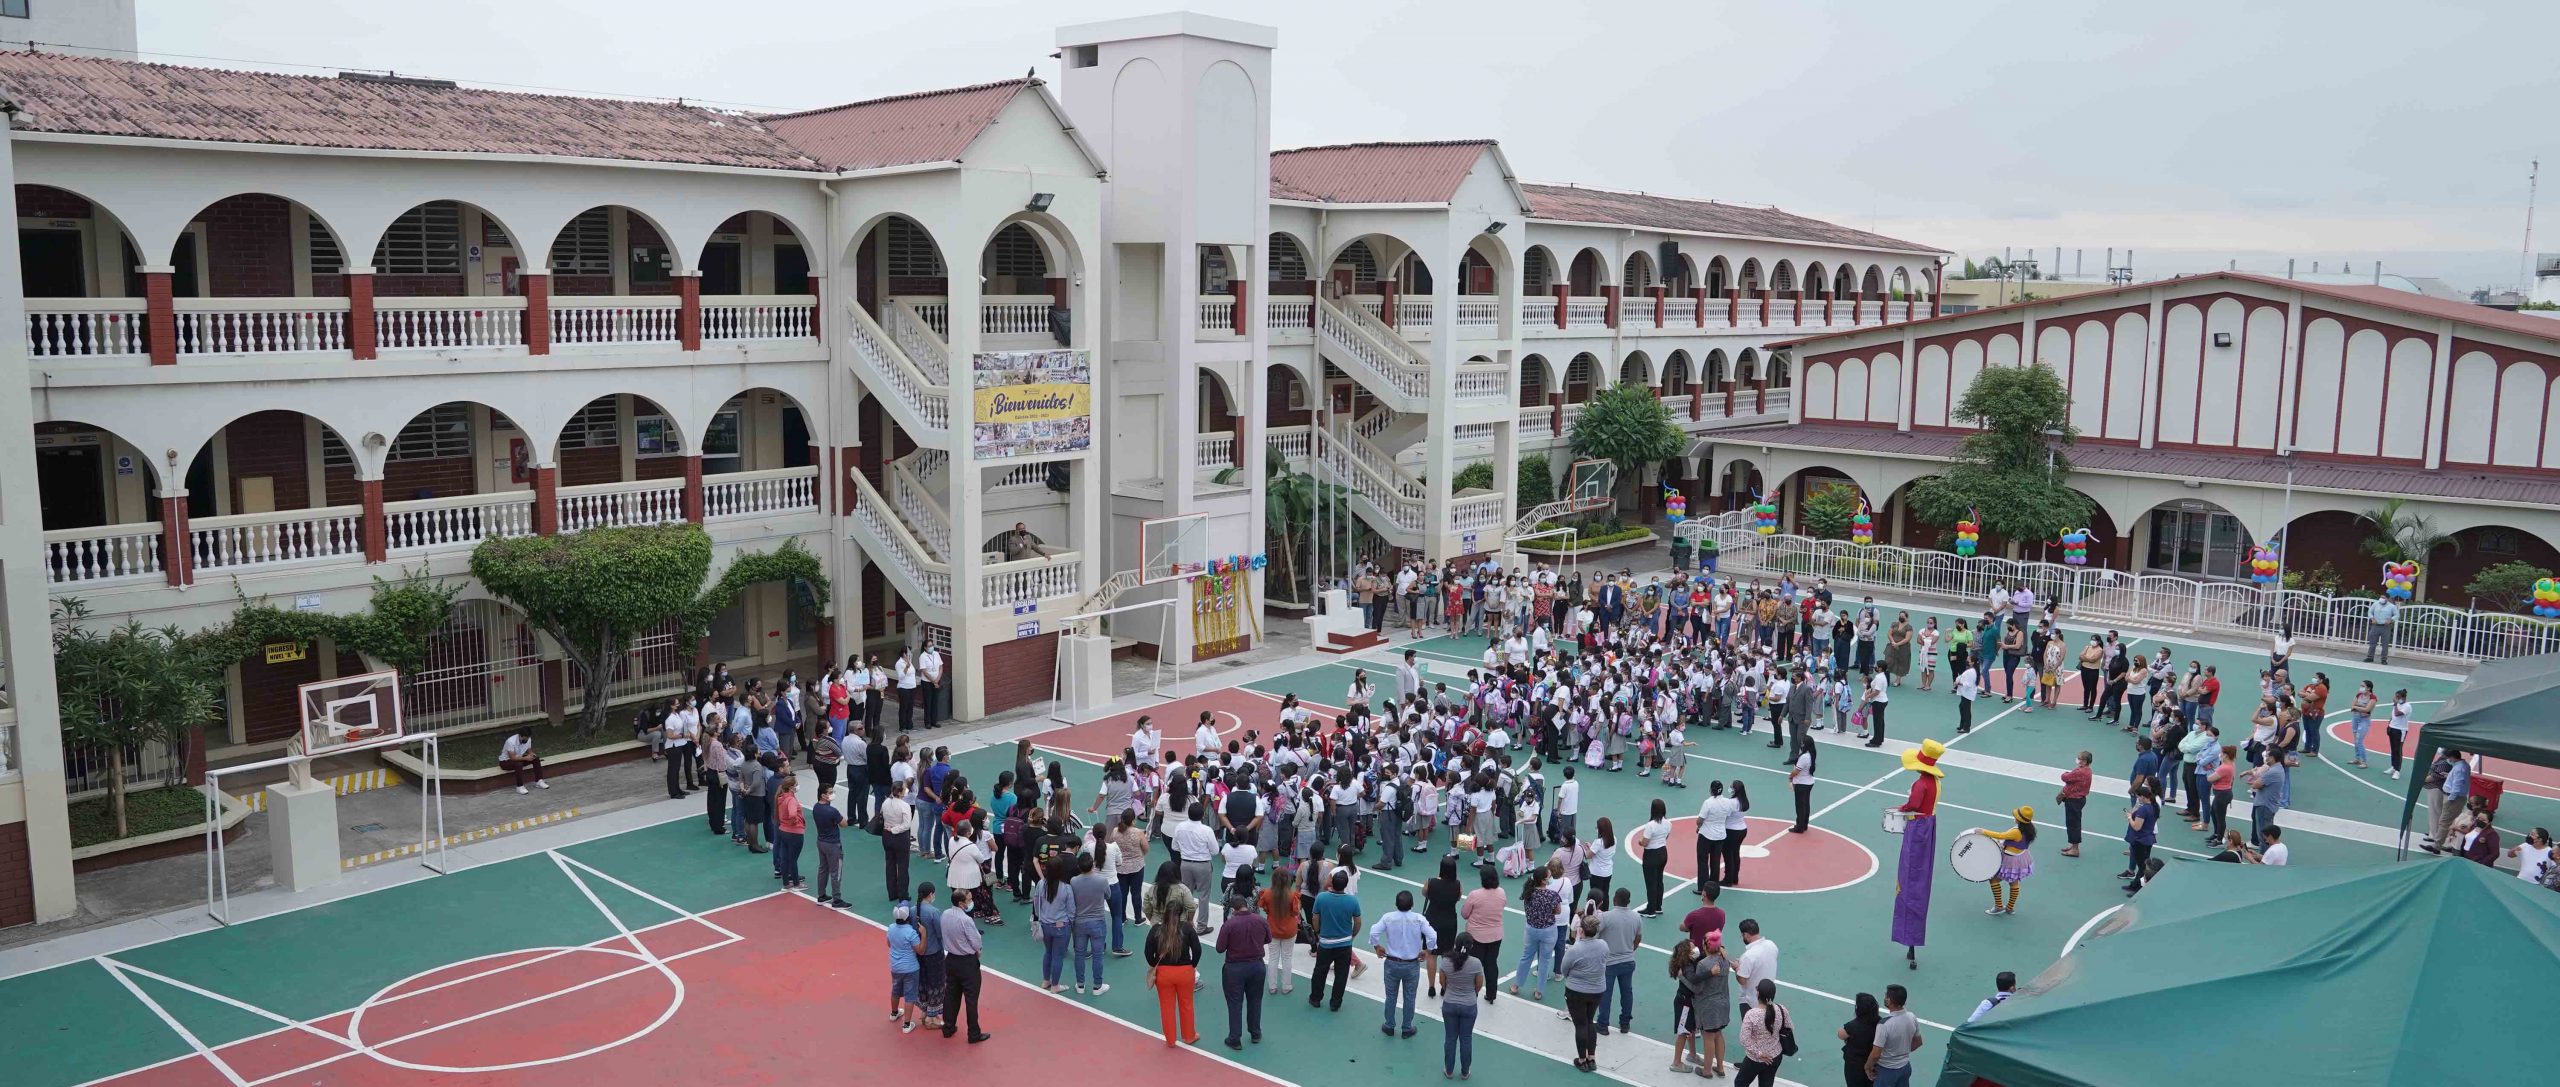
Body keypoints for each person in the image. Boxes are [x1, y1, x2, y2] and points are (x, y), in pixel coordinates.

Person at [1888, 739, 1945, 969]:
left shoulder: (1921, 784)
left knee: (1909, 879)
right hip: (1929, 825)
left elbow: (1913, 805)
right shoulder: (1935, 782)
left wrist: (1901, 808)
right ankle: (1912, 939)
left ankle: (1908, 935)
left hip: (1918, 828)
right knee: (1919, 879)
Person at [1371, 888, 1436, 1038]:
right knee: (1410, 996)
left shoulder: (1388, 918)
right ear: (1412, 904)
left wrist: (1377, 946)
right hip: (1411, 964)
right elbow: (1432, 935)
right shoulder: (1419, 919)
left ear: (1396, 904)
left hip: (1392, 963)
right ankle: (1407, 1028)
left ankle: (1389, 1025)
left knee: (1391, 995)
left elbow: (1374, 932)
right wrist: (1428, 951)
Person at [1143, 899, 1203, 1047]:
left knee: (1166, 1006)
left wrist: (1154, 965)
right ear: (1181, 913)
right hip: (1184, 972)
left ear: (1165, 913)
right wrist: (1192, 965)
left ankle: (1170, 1040)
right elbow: (1197, 950)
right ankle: (1189, 1036)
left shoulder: (1156, 930)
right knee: (1186, 1004)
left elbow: (1148, 952)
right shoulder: (1188, 929)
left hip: (1164, 973)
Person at [1213, 893, 1268, 1049]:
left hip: (1235, 968)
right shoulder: (1260, 920)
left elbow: (1219, 948)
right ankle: (1255, 1033)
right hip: (1257, 966)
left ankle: (1235, 1038)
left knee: (1235, 1004)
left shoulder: (1229, 925)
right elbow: (1268, 939)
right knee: (1255, 1000)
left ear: (1233, 908)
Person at [938, 888, 992, 1043]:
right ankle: (973, 1033)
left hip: (951, 960)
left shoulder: (945, 914)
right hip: (967, 962)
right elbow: (976, 941)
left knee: (951, 995)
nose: (971, 901)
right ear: (961, 903)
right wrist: (978, 951)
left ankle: (948, 1027)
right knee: (971, 999)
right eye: (969, 899)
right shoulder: (966, 920)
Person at [1309, 866, 1363, 1011]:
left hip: (1326, 943)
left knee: (1320, 971)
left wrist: (1318, 931)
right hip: (1344, 944)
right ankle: (1335, 1003)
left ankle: (1315, 998)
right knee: (1341, 974)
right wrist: (1351, 935)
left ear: (1332, 883)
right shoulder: (1352, 901)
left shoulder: (1322, 897)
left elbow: (1315, 918)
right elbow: (1358, 922)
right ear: (1346, 885)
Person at [1561, 915, 1610, 1073]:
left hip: (1576, 991)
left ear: (1581, 929)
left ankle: (1582, 1060)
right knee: (1589, 1021)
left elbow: (1564, 970)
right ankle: (1592, 1058)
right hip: (1597, 990)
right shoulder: (1603, 945)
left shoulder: (1575, 949)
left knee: (1580, 1024)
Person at [1973, 806, 2036, 915]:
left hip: (2010, 860)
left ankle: (1999, 906)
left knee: (1993, 879)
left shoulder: (2016, 831)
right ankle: (2010, 908)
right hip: (2020, 858)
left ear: (2019, 819)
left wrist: (1983, 831)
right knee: (2014, 882)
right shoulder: (2028, 829)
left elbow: (2000, 835)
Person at [1459, 864, 1508, 1005]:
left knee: (1473, 965)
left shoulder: (1475, 895)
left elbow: (1464, 914)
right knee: (1491, 964)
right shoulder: (1502, 892)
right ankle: (1491, 994)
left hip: (1476, 936)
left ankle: (1471, 992)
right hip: (1495, 936)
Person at [1439, 935, 1486, 1079]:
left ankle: (1449, 1070)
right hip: (1469, 1005)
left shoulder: (1446, 961)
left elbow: (1442, 983)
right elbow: (1479, 985)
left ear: (1455, 945)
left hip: (1449, 1004)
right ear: (1471, 947)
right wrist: (1471, 993)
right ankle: (1465, 1072)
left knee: (1450, 1038)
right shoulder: (1476, 963)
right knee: (1466, 1039)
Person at [1734, 979, 1792, 1087]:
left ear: (1758, 993)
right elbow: (1789, 1027)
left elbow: (1744, 1039)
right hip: (1775, 1056)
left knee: (1740, 1083)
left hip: (1755, 1059)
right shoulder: (1782, 1009)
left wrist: (1760, 1054)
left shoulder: (1751, 1015)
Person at [1866, 983, 1922, 1087]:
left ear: (1890, 1001)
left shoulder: (1884, 1024)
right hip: (1905, 1068)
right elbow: (1918, 1042)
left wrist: (1867, 1067)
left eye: (1886, 996)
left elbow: (1876, 1054)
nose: (1885, 998)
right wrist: (1901, 1052)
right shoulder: (1912, 1017)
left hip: (1886, 1072)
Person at [1257, 865, 1300, 995]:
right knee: (1287, 958)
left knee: (1273, 958)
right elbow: (1296, 912)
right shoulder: (1293, 896)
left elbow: (1263, 907)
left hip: (1272, 930)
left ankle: (1272, 986)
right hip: (1289, 931)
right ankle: (1286, 986)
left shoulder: (1267, 894)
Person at [886, 903, 926, 1034]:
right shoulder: (910, 932)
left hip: (895, 967)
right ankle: (907, 1025)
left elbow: (889, 944)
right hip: (910, 969)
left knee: (895, 990)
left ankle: (894, 1013)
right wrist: (924, 934)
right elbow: (920, 950)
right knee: (910, 996)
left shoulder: (891, 928)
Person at [813, 785, 848, 908]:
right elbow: (844, 824)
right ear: (823, 795)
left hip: (821, 842)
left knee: (823, 869)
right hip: (833, 845)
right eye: (830, 792)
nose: (832, 794)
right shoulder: (832, 811)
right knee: (836, 872)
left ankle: (821, 895)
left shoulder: (816, 807)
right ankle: (837, 900)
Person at [1636, 799, 1673, 916]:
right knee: (1659, 880)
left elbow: (1645, 843)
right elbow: (1665, 837)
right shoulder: (1668, 823)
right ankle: (1658, 906)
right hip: (1663, 852)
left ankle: (1651, 909)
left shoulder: (1650, 825)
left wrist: (1640, 842)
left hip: (1651, 855)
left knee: (1650, 883)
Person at [1838, 991, 1882, 1087]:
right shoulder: (1881, 1023)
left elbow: (1841, 1034)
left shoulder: (1853, 1026)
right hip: (1875, 1064)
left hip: (1855, 1065)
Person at [2055, 752, 2091, 858]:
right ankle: (2073, 845)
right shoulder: (2087, 770)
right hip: (2078, 800)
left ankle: (2075, 849)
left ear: (2084, 761)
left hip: (2074, 801)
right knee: (2073, 823)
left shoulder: (2080, 772)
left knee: (2073, 825)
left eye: (2079, 759)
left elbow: (2065, 777)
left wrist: (2066, 773)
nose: (2077, 760)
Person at [498, 729, 547, 794]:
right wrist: (526, 758)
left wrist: (532, 754)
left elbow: (529, 750)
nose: (526, 740)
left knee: (536, 759)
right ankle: (519, 786)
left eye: (528, 738)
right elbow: (512, 758)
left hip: (519, 759)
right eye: (525, 738)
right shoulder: (510, 741)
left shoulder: (528, 739)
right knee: (518, 764)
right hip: (505, 762)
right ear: (520, 736)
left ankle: (539, 781)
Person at [2364, 595, 2398, 664]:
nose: (2382, 599)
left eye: (2383, 597)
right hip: (2375, 625)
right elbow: (2370, 612)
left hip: (2385, 627)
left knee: (2385, 644)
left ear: (2387, 599)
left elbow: (2397, 615)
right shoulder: (2375, 604)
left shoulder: (2392, 606)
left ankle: (2384, 659)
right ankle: (2370, 657)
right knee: (2372, 643)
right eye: (2381, 597)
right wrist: (2372, 618)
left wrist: (2391, 620)